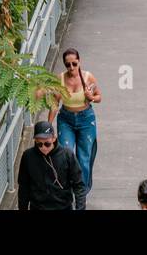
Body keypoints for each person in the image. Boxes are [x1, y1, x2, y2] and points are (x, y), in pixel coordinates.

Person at [48, 47, 101, 190]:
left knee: (84, 157)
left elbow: (99, 97)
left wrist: (91, 98)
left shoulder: (88, 77)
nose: (71, 67)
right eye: (67, 64)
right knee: (66, 154)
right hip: (66, 119)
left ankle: (81, 191)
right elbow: (54, 104)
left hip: (86, 119)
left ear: (79, 61)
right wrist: (48, 125)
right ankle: (67, 188)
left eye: (74, 64)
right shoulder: (60, 79)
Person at [18, 120, 87, 211]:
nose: (43, 148)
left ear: (54, 138)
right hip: (38, 207)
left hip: (63, 207)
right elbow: (23, 186)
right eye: (39, 144)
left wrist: (80, 208)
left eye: (47, 144)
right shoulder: (28, 156)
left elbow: (79, 185)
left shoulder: (67, 155)